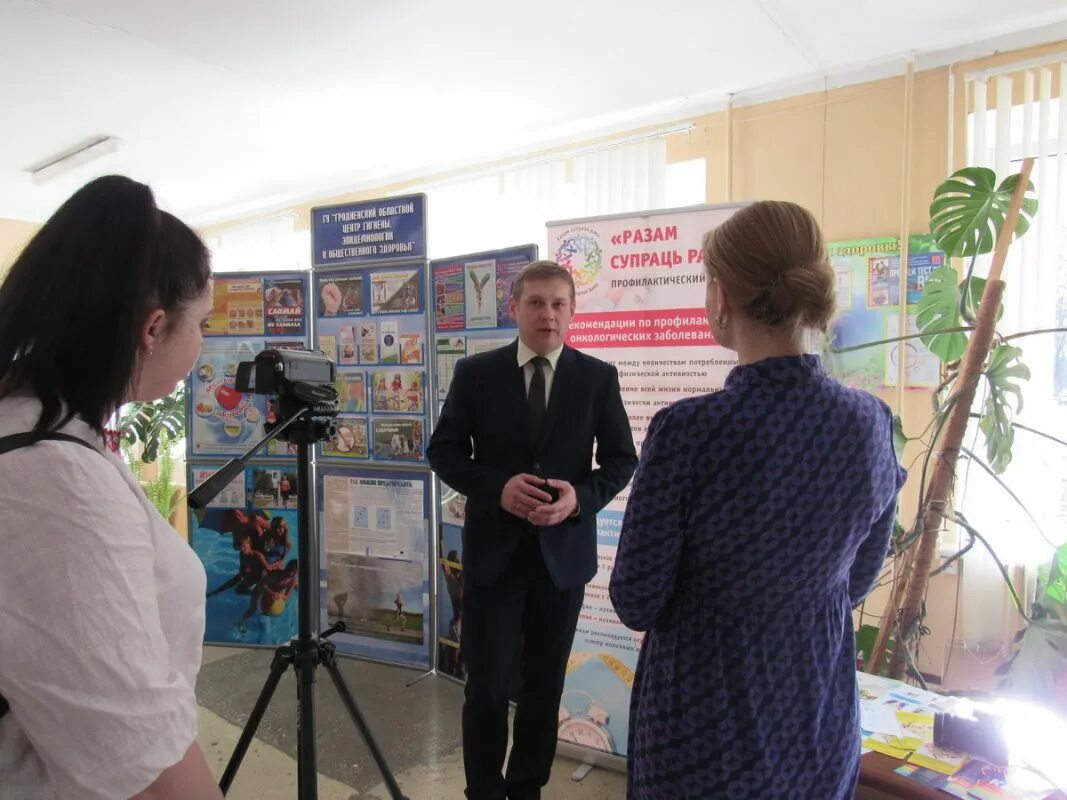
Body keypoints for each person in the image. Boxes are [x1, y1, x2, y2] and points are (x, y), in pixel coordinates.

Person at [609, 201, 908, 800]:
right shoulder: (870, 422)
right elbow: (857, 579)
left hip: (704, 724)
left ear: (720, 297)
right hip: (817, 715)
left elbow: (637, 599)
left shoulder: (690, 432)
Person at [0, 175, 222, 799]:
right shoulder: (52, 480)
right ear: (153, 329)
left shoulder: (45, 429)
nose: (202, 345)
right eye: (200, 324)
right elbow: (141, 765)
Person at [427, 260, 637, 800]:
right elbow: (444, 451)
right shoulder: (476, 374)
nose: (548, 314)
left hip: (560, 560)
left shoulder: (597, 379)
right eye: (536, 302)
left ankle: (526, 790)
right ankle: (483, 791)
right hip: (494, 557)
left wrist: (578, 500)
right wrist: (495, 487)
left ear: (572, 311)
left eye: (558, 304)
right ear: (515, 307)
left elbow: (619, 461)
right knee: (489, 689)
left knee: (545, 690)